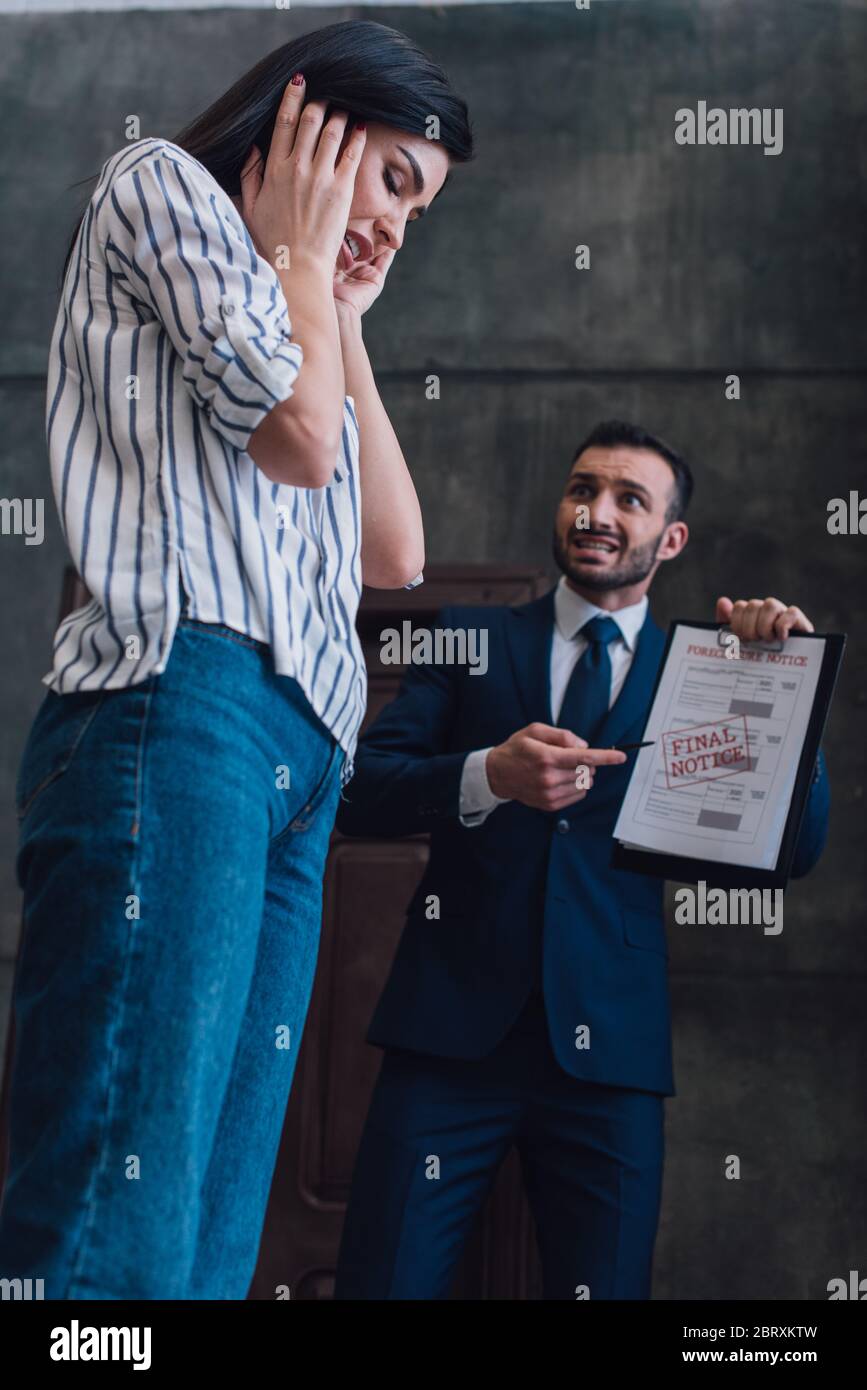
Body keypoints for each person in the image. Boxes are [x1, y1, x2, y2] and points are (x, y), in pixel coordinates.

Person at [0, 20, 472, 1300]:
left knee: (210, 1228)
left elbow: (397, 550)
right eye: (392, 181)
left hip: (302, 766)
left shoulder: (308, 305)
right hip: (183, 705)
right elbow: (300, 442)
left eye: (419, 214)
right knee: (117, 1207)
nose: (396, 228)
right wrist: (301, 264)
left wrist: (335, 296)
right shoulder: (160, 186)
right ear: (312, 117)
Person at [333, 419, 830, 1300]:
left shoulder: (711, 669)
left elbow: (788, 849)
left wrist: (784, 680)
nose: (595, 512)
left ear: (670, 538)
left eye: (627, 499)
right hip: (445, 1042)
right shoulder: (468, 640)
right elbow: (357, 791)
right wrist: (489, 774)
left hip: (611, 1061)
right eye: (580, 490)